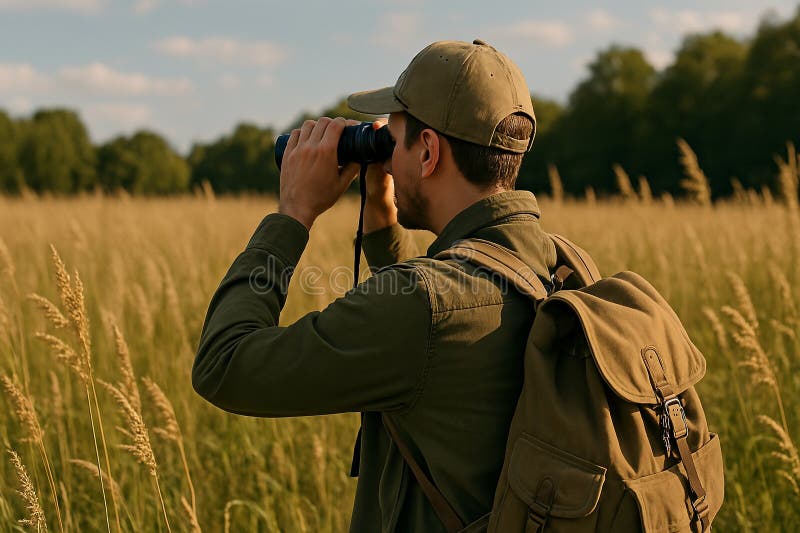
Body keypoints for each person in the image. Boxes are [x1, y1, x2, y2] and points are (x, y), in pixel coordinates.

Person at [192, 39, 557, 532]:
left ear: (428, 151)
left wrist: (293, 215)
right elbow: (441, 322)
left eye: (394, 139)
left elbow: (223, 365)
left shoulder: (423, 306)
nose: (385, 158)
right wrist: (384, 225)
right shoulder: (556, 265)